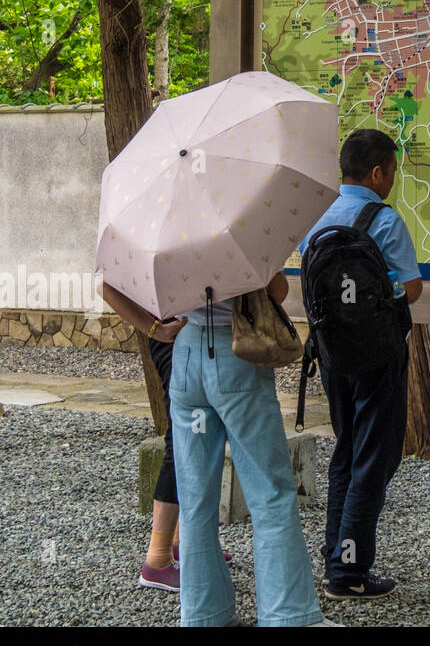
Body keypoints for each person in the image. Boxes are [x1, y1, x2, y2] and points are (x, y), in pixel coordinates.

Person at [164, 268, 330, 626]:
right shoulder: (237, 230)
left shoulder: (170, 232)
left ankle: (204, 615)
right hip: (235, 351)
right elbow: (277, 290)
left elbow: (107, 287)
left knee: (195, 501)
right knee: (270, 494)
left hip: (187, 351)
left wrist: (153, 330)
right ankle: (287, 614)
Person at [299, 128, 422, 601]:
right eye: (391, 171)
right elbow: (411, 289)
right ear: (376, 172)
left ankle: (337, 557)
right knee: (374, 456)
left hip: (331, 354)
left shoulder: (318, 216)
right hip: (379, 355)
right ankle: (348, 571)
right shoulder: (384, 220)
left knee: (347, 450)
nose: (392, 180)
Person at [100, 284, 188, 591]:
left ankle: (180, 543)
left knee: (194, 437)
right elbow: (106, 285)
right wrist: (155, 330)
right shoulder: (145, 236)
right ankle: (158, 559)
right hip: (173, 335)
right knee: (181, 438)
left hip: (184, 334)